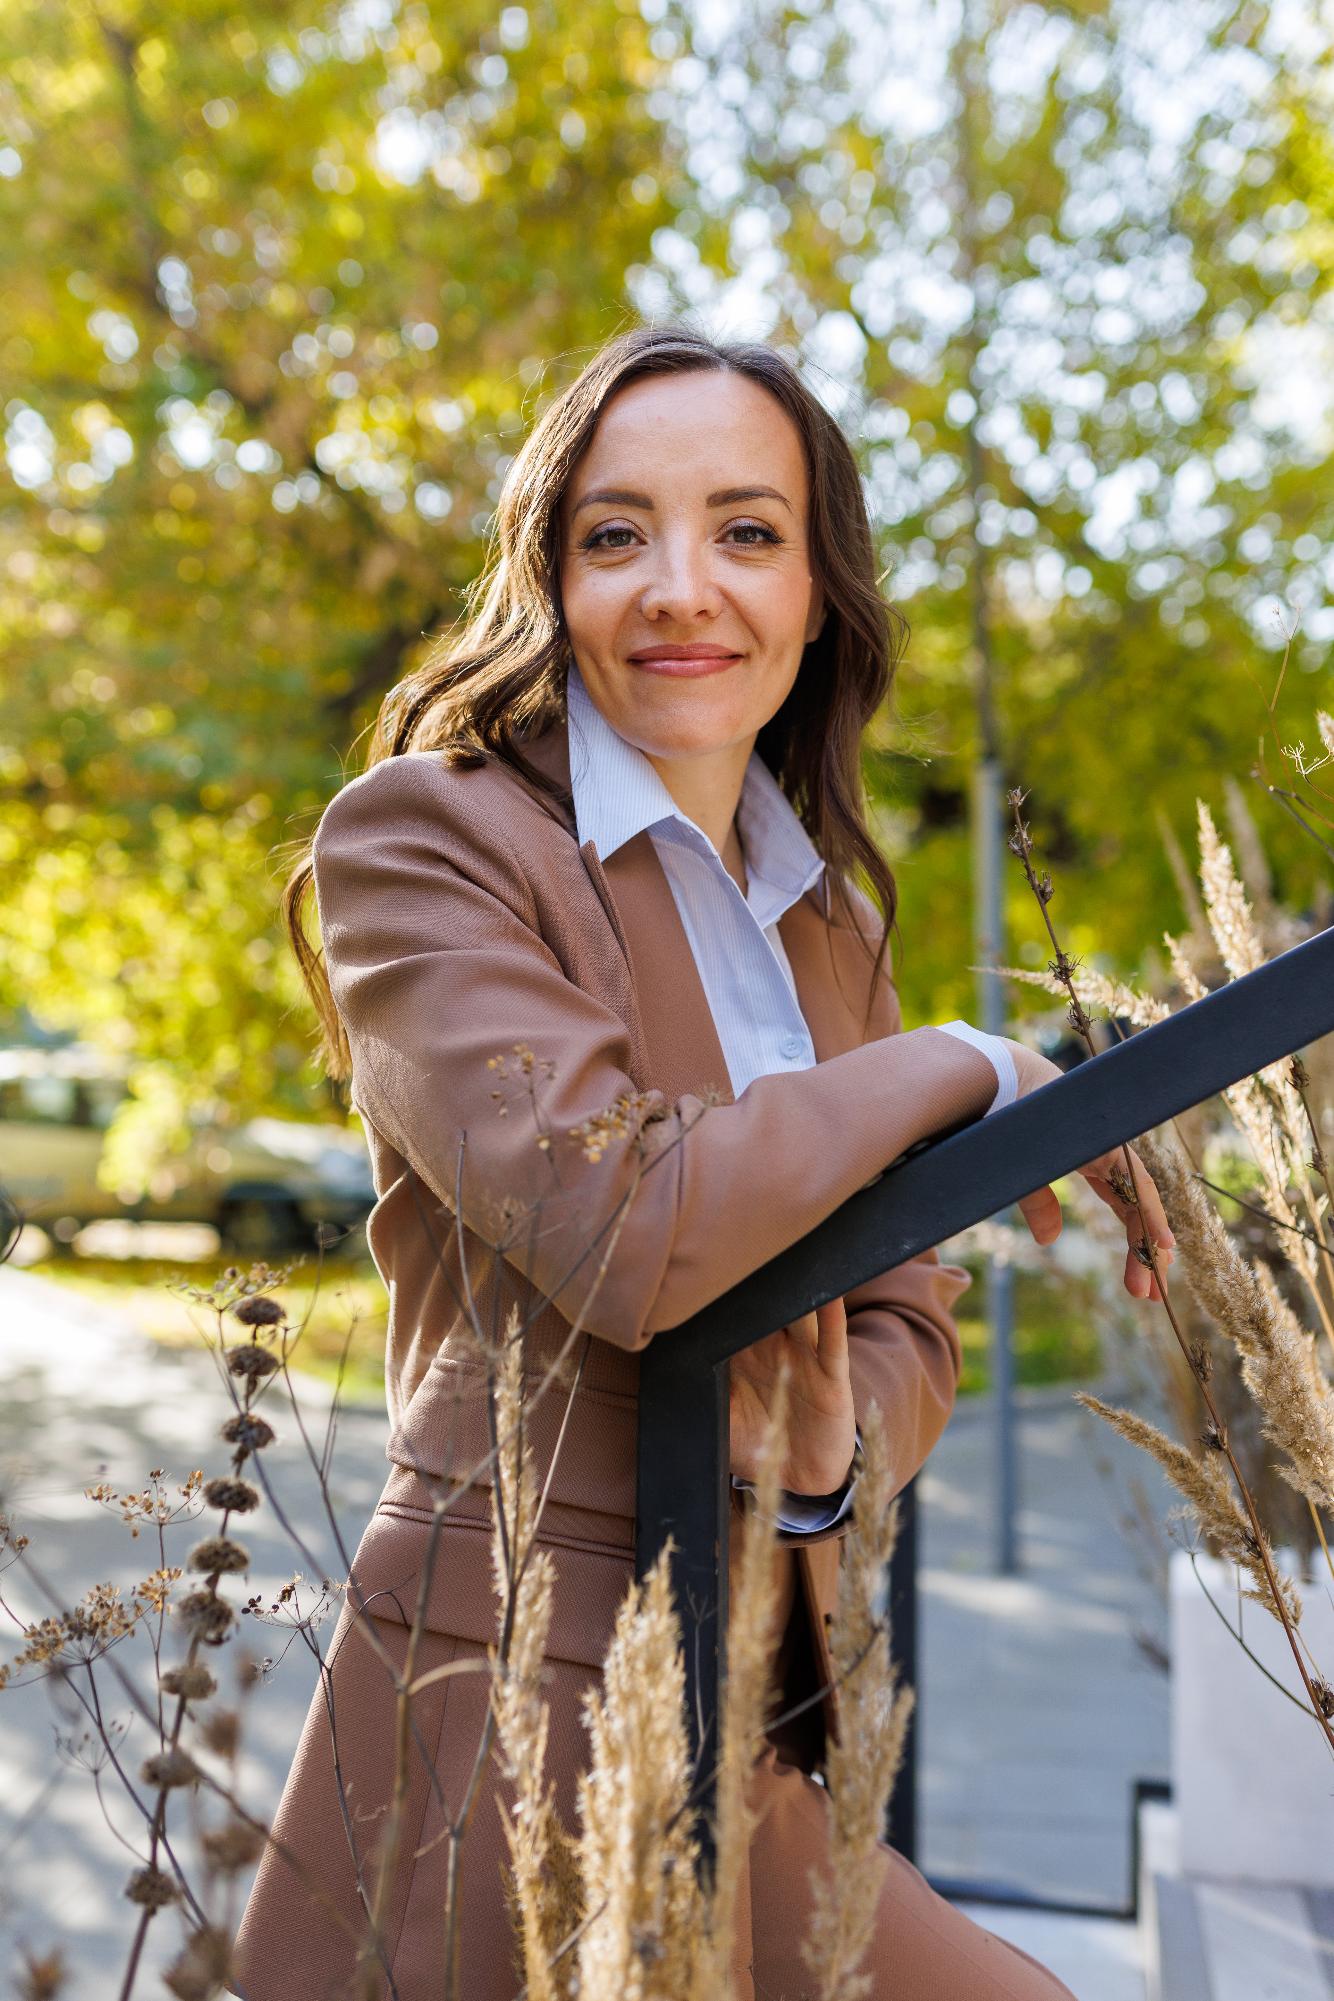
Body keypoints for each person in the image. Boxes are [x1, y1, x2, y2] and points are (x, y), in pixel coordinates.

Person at [230, 323, 1174, 2001]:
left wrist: (824, 1457)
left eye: (745, 532)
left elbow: (905, 1322)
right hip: (513, 1711)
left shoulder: (825, 912)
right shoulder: (428, 840)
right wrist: (963, 1061)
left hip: (752, 1706)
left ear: (818, 595)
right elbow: (628, 1217)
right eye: (616, 535)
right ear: (553, 577)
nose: (681, 586)